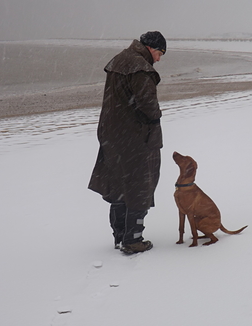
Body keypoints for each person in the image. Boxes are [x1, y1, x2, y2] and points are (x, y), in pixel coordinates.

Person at [88, 31, 166, 254]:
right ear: (152, 48)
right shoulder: (140, 67)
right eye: (160, 53)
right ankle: (133, 239)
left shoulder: (120, 60)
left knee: (119, 187)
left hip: (113, 134)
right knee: (140, 185)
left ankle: (120, 236)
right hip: (135, 137)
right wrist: (156, 116)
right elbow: (148, 106)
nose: (159, 59)